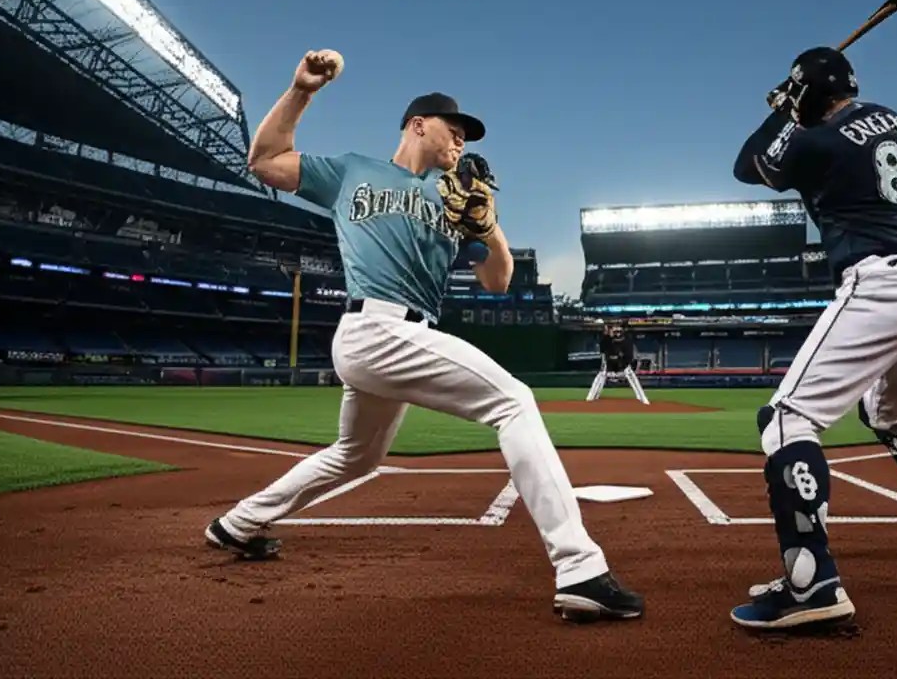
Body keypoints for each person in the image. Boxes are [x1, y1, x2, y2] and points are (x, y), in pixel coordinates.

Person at [203, 49, 643, 623]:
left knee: (356, 456)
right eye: (453, 130)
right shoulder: (352, 171)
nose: (461, 142)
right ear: (418, 124)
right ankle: (579, 567)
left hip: (395, 339)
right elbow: (263, 159)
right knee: (513, 401)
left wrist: (487, 226)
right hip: (374, 327)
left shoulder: (454, 200)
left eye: (465, 137)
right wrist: (301, 91)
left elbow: (498, 280)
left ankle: (237, 522)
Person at [726, 47, 897, 631]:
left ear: (807, 96)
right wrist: (798, 99)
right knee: (889, 413)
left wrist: (781, 109)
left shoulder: (815, 140)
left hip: (880, 282)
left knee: (784, 422)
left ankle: (810, 583)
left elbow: (748, 166)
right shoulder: (890, 117)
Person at [586, 321, 650, 404]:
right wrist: (606, 334)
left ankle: (643, 399)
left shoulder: (626, 341)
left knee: (632, 376)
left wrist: (620, 363)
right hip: (609, 367)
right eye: (615, 331)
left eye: (619, 331)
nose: (617, 333)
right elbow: (602, 349)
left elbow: (628, 357)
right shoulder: (608, 341)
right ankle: (590, 398)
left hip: (623, 367)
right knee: (600, 375)